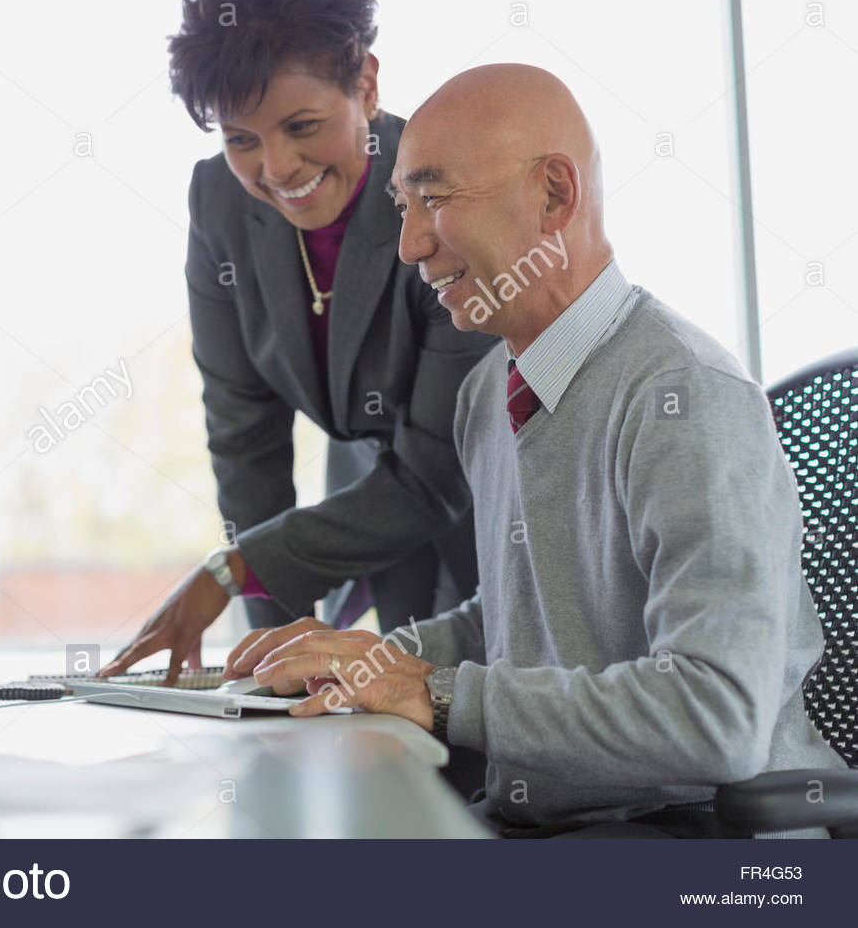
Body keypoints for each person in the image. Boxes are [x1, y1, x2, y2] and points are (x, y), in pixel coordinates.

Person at [226, 63, 847, 838]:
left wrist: (443, 694)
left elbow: (716, 715)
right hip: (564, 826)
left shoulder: (685, 394)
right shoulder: (490, 391)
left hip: (710, 837)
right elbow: (528, 620)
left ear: (553, 194)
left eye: (436, 198)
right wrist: (372, 658)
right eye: (402, 206)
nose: (412, 243)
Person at [101, 0, 496, 682]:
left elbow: (436, 475)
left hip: (500, 535)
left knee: (471, 768)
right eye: (240, 138)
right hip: (363, 524)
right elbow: (244, 440)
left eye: (302, 127)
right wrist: (272, 667)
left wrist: (234, 570)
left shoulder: (445, 195)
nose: (276, 167)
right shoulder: (220, 203)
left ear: (366, 86)